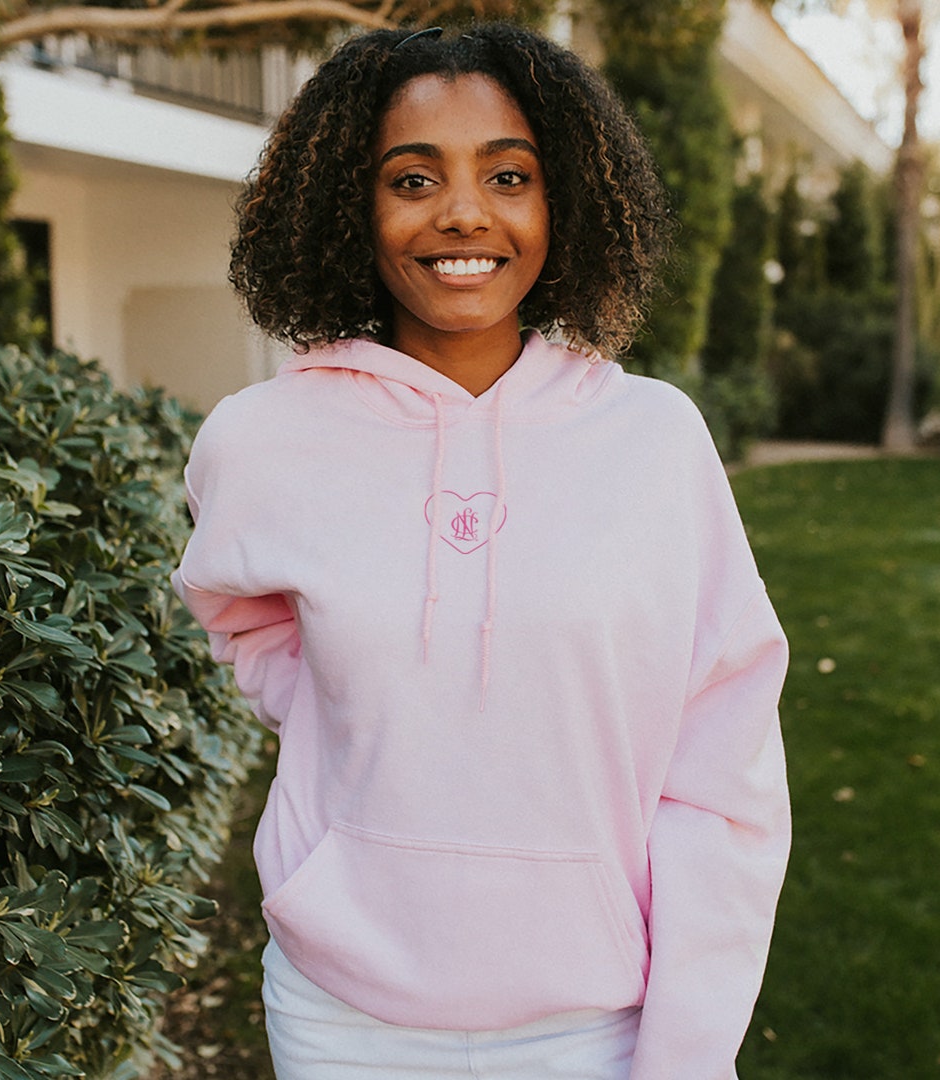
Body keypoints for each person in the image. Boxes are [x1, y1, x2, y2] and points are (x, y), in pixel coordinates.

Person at [172, 21, 790, 1080]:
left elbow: (722, 769)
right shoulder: (262, 439)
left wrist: (688, 1047)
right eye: (412, 179)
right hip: (340, 1020)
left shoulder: (655, 441)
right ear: (350, 206)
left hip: (594, 1021)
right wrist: (343, 724)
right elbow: (238, 613)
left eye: (509, 176)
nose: (463, 212)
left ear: (566, 202)